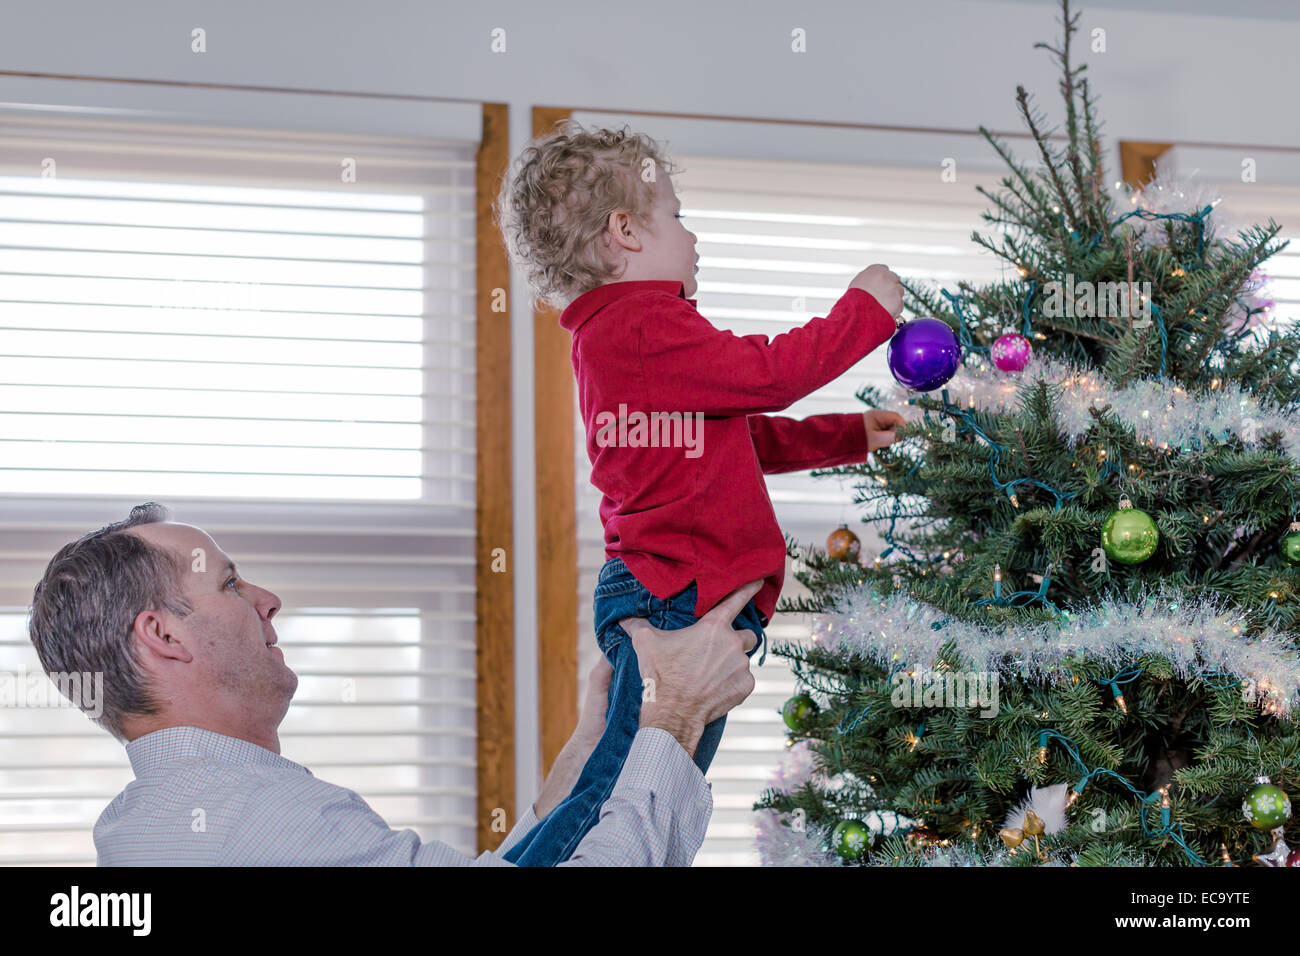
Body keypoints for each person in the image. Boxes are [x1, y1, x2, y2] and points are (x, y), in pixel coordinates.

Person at [493, 122, 907, 865]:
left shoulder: (629, 341)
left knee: (634, 787)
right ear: (625, 231)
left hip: (669, 592)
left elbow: (741, 439)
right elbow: (770, 373)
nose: (692, 236)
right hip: (673, 596)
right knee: (619, 794)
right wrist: (864, 313)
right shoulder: (642, 326)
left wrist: (848, 435)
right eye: (677, 215)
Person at [26, 502, 762, 865]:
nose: (267, 599)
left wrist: (584, 757)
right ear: (164, 636)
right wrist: (676, 721)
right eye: (228, 583)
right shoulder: (260, 825)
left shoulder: (146, 822)